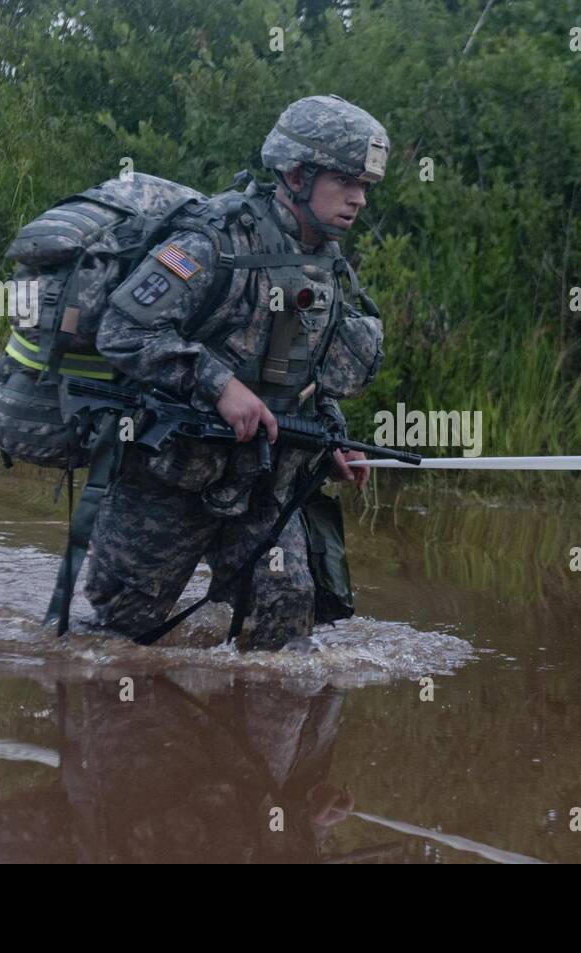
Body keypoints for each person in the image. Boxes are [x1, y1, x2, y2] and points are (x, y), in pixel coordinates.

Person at [82, 94, 389, 652]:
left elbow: (300, 372)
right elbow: (124, 331)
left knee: (287, 621)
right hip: (170, 477)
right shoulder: (211, 242)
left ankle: (248, 735)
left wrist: (331, 439)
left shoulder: (326, 263)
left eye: (365, 186)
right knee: (115, 640)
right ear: (296, 174)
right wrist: (218, 385)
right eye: (346, 181)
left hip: (261, 481)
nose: (358, 199)